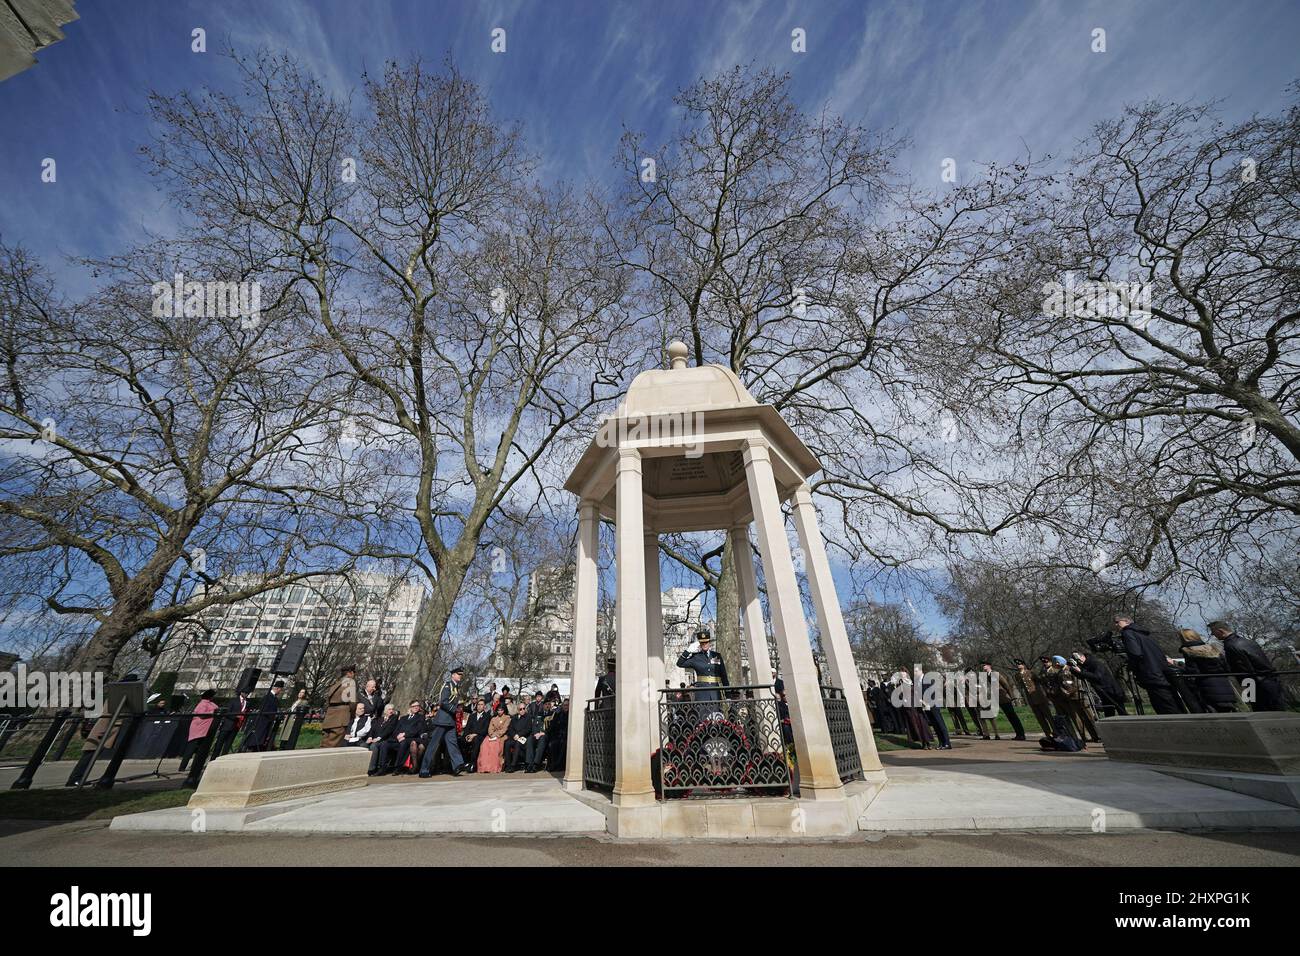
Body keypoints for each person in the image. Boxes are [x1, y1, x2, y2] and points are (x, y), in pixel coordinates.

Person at [1210, 620, 1285, 711]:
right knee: (1279, 711)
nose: (1213, 635)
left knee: (1263, 713)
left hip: (1255, 684)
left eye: (1213, 632)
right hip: (1271, 680)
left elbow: (1242, 669)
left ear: (1221, 631)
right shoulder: (1247, 641)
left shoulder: (1230, 645)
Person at [1114, 617, 1181, 715]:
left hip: (1150, 674)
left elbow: (1135, 654)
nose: (1115, 625)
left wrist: (1131, 666)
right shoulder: (1143, 634)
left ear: (1126, 621)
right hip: (1162, 673)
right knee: (1172, 703)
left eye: (1117, 622)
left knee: (1164, 707)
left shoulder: (1128, 633)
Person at [419, 665, 466, 777]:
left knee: (452, 743)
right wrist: (455, 710)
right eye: (459, 674)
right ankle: (424, 769)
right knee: (433, 745)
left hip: (450, 721)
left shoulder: (457, 687)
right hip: (442, 720)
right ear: (453, 675)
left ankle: (458, 765)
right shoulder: (447, 685)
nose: (460, 676)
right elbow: (443, 702)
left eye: (461, 675)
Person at [1177, 629, 1237, 713]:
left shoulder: (1188, 651)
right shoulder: (1213, 648)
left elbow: (1193, 672)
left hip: (1207, 688)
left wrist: (1180, 668)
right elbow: (1226, 668)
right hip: (1225, 686)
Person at [676, 628, 729, 704]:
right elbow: (679, 664)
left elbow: (723, 675)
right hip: (702, 694)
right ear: (699, 644)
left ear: (709, 642)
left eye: (706, 642)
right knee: (702, 715)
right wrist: (687, 651)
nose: (704, 644)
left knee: (716, 715)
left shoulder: (717, 655)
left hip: (716, 693)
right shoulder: (695, 657)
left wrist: (728, 695)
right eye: (702, 643)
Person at [1071, 651, 1128, 717]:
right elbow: (1082, 676)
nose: (1079, 662)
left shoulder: (1095, 663)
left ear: (1083, 656)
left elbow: (1097, 677)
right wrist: (1074, 670)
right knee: (1109, 714)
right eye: (1077, 661)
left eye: (1079, 660)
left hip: (1112, 691)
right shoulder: (1084, 666)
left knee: (1122, 712)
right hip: (1102, 692)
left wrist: (1081, 672)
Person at [982, 662, 1026, 740]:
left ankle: (1021, 734)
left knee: (1012, 716)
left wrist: (1012, 697)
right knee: (1010, 717)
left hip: (1004, 698)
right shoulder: (988, 675)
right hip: (999, 699)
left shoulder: (995, 673)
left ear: (989, 666)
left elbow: (1005, 684)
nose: (983, 667)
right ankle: (1018, 734)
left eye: (984, 665)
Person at [1013, 659, 1055, 737]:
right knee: (1040, 718)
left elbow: (1039, 681)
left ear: (1023, 665)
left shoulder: (1030, 672)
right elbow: (1021, 684)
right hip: (1031, 699)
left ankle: (1056, 732)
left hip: (1039, 696)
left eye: (1020, 664)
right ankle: (1048, 734)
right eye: (1017, 664)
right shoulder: (1017, 675)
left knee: (1048, 716)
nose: (1018, 665)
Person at [179, 689, 219, 771]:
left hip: (205, 729)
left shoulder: (210, 703)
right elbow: (201, 714)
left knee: (200, 749)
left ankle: (195, 766)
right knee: (191, 749)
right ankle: (182, 766)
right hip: (198, 729)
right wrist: (213, 712)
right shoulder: (203, 703)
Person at [241, 680, 285, 752]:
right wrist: (273, 716)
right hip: (263, 721)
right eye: (280, 690)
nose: (280, 692)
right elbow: (265, 709)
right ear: (278, 689)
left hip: (268, 721)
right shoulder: (268, 697)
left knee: (262, 739)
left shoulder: (274, 698)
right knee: (258, 738)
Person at [384, 700, 426, 775]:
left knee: (404, 743)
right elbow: (397, 729)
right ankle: (382, 767)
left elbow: (417, 730)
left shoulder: (420, 717)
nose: (416, 707)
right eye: (414, 706)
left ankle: (398, 768)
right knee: (385, 744)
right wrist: (398, 735)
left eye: (417, 706)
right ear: (410, 707)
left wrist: (404, 734)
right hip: (400, 738)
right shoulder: (403, 718)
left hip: (413, 738)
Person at [321, 665, 358, 747]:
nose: (354, 675)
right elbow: (352, 703)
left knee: (324, 744)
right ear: (349, 673)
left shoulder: (335, 685)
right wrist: (352, 716)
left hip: (329, 718)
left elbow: (327, 702)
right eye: (353, 672)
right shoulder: (350, 683)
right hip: (341, 718)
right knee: (334, 745)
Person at [365, 704, 398, 774]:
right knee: (364, 745)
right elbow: (372, 729)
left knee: (373, 746)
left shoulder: (394, 719)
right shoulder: (380, 719)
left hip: (384, 739)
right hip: (374, 739)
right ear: (385, 711)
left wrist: (379, 738)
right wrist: (370, 737)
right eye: (389, 709)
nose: (391, 711)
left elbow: (389, 730)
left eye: (392, 709)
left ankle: (372, 768)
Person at [477, 707, 511, 774]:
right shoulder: (493, 718)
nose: (500, 712)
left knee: (494, 747)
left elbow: (505, 729)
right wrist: (492, 734)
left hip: (502, 736)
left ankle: (494, 767)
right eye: (498, 710)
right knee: (484, 746)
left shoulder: (507, 718)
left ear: (504, 711)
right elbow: (490, 728)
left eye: (501, 710)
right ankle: (485, 766)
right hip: (492, 736)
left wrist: (497, 735)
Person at [505, 701, 532, 772]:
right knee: (507, 743)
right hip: (514, 737)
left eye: (524, 708)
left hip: (523, 737)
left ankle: (513, 765)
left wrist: (519, 735)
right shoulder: (514, 717)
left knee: (518, 743)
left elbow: (528, 729)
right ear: (518, 710)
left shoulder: (528, 717)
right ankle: (508, 765)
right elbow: (510, 728)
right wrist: (514, 735)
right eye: (520, 709)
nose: (522, 710)